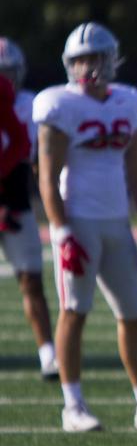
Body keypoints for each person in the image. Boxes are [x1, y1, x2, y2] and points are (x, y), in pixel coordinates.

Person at [34, 21, 137, 431]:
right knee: (75, 311)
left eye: (95, 58)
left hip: (117, 223)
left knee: (134, 314)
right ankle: (72, 406)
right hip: (78, 222)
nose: (88, 67)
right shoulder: (58, 104)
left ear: (111, 60)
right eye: (80, 60)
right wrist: (62, 231)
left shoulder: (128, 102)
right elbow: (47, 176)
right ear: (69, 64)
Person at [0, 37, 57, 380]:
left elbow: (30, 156)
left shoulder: (29, 104)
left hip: (15, 201)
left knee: (31, 278)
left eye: (8, 73)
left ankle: (48, 353)